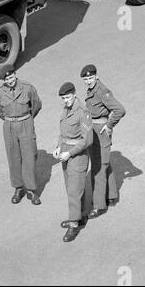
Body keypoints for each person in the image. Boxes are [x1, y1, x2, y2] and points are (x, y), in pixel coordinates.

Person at [81, 64, 126, 217]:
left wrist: (109, 125)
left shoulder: (102, 91)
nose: (88, 81)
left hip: (100, 131)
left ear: (96, 76)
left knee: (98, 168)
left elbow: (120, 110)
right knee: (103, 163)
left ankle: (99, 205)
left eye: (90, 78)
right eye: (86, 79)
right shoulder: (93, 89)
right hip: (93, 130)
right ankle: (111, 195)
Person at [52, 81, 93, 242]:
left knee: (73, 192)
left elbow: (87, 140)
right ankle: (81, 215)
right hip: (66, 154)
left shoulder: (83, 112)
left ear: (74, 94)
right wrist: (58, 147)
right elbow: (63, 132)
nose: (65, 101)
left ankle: (74, 224)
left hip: (77, 156)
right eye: (63, 98)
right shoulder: (66, 109)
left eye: (67, 97)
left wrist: (69, 153)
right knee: (73, 188)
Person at [0, 68, 42, 205]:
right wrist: (11, 120)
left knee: (29, 157)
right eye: (7, 79)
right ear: (4, 80)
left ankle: (32, 190)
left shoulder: (27, 88)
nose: (10, 80)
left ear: (15, 74)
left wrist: (27, 119)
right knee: (13, 157)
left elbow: (36, 105)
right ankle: (18, 188)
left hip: (26, 123)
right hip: (9, 126)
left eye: (11, 77)